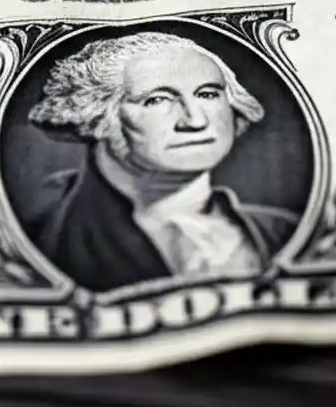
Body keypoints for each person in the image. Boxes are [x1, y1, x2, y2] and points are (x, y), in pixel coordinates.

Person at [24, 31, 297, 292]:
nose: (196, 121)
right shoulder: (40, 246)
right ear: (97, 117)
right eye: (157, 100)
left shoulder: (284, 230)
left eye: (208, 94)